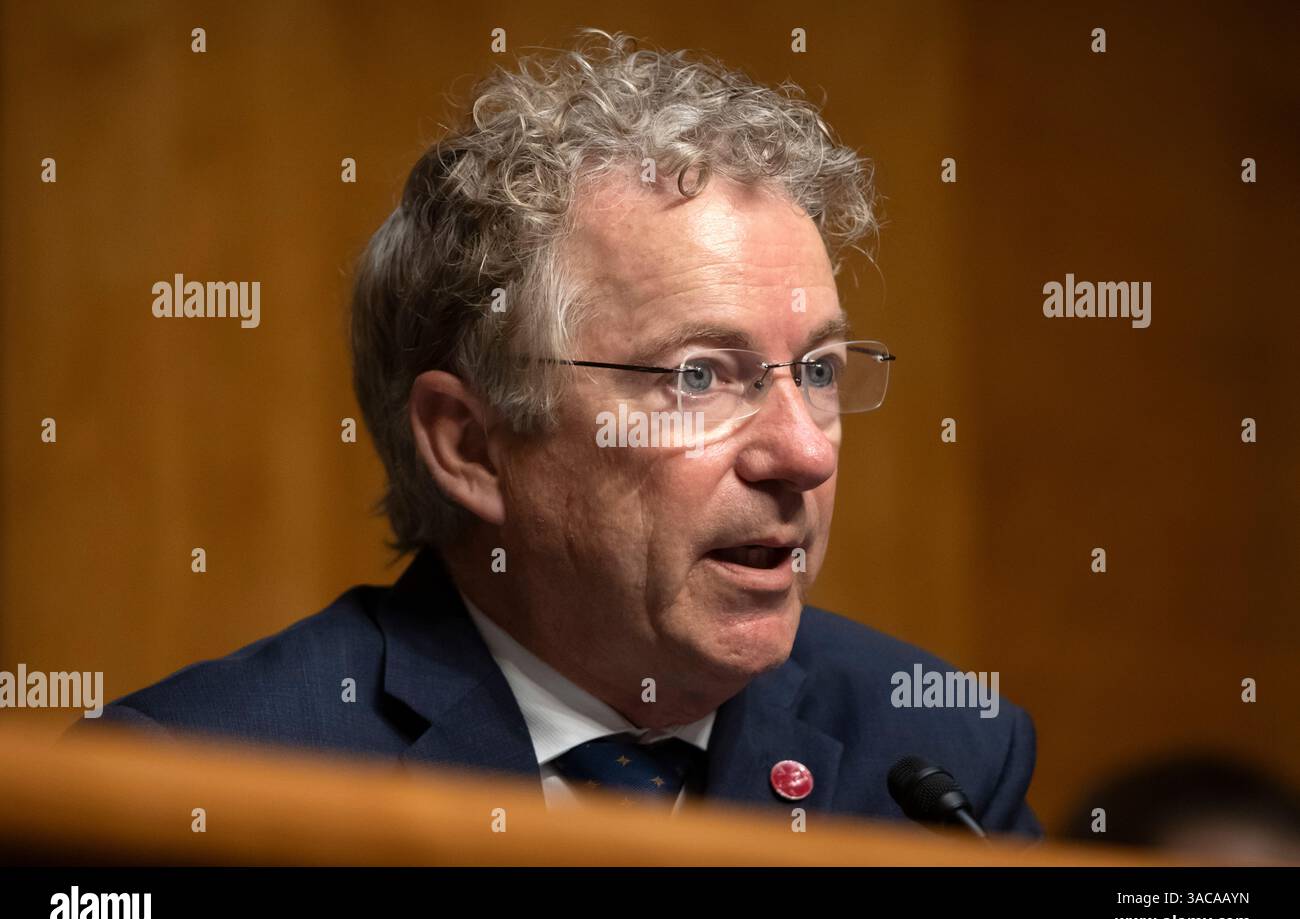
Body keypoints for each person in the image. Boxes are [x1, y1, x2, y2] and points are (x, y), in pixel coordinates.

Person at [82, 29, 1042, 834]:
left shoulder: (937, 759)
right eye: (698, 376)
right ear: (469, 445)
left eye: (820, 371)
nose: (805, 452)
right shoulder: (204, 789)